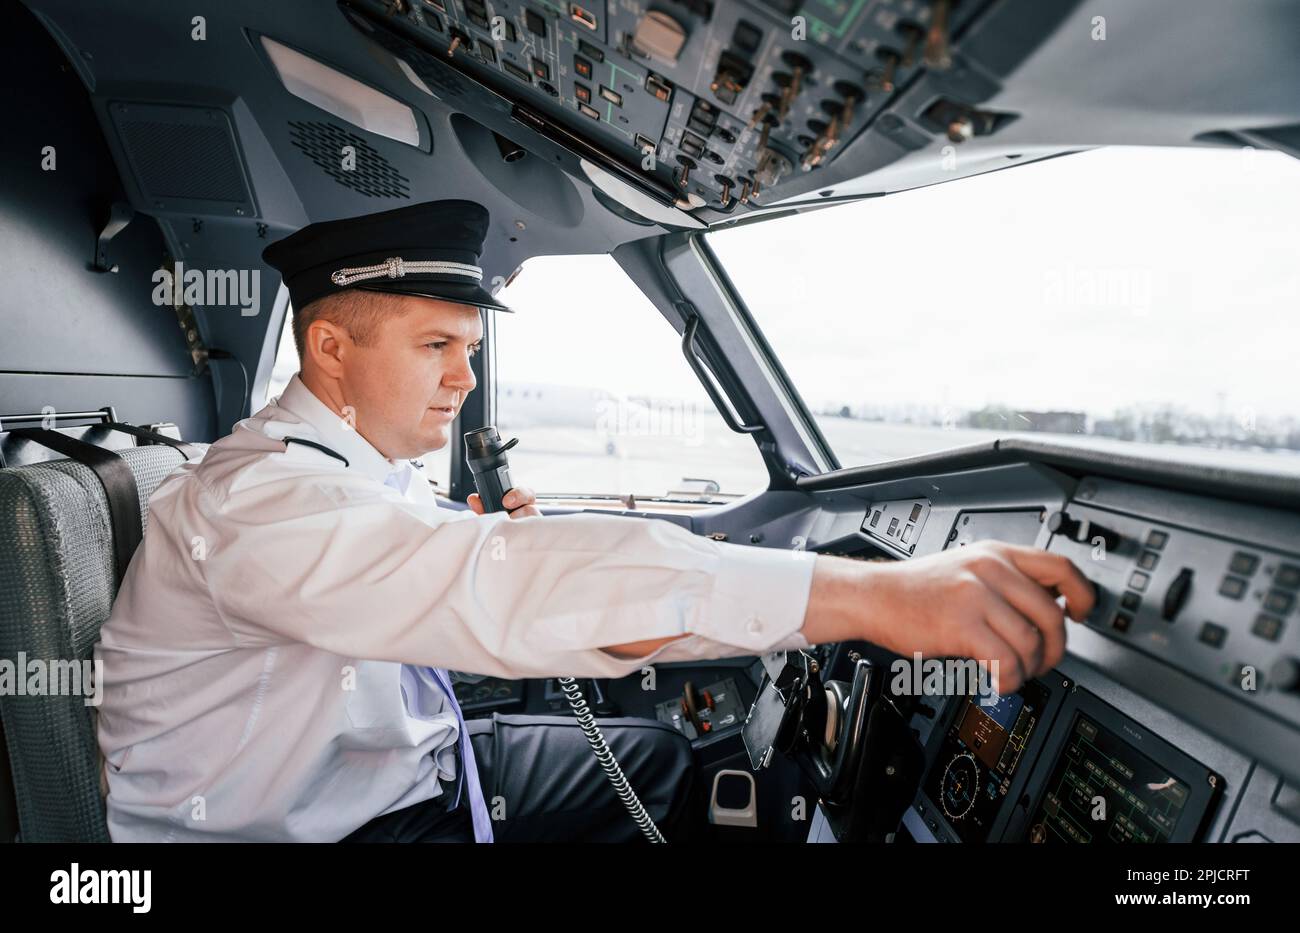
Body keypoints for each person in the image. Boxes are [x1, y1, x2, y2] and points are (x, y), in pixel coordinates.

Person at [94, 199, 1094, 843]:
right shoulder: (262, 502)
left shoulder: (347, 470)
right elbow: (499, 586)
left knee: (658, 757)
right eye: (436, 343)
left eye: (471, 348)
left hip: (393, 767)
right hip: (307, 827)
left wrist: (479, 531)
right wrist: (867, 594)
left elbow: (463, 566)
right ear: (329, 348)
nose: (464, 376)